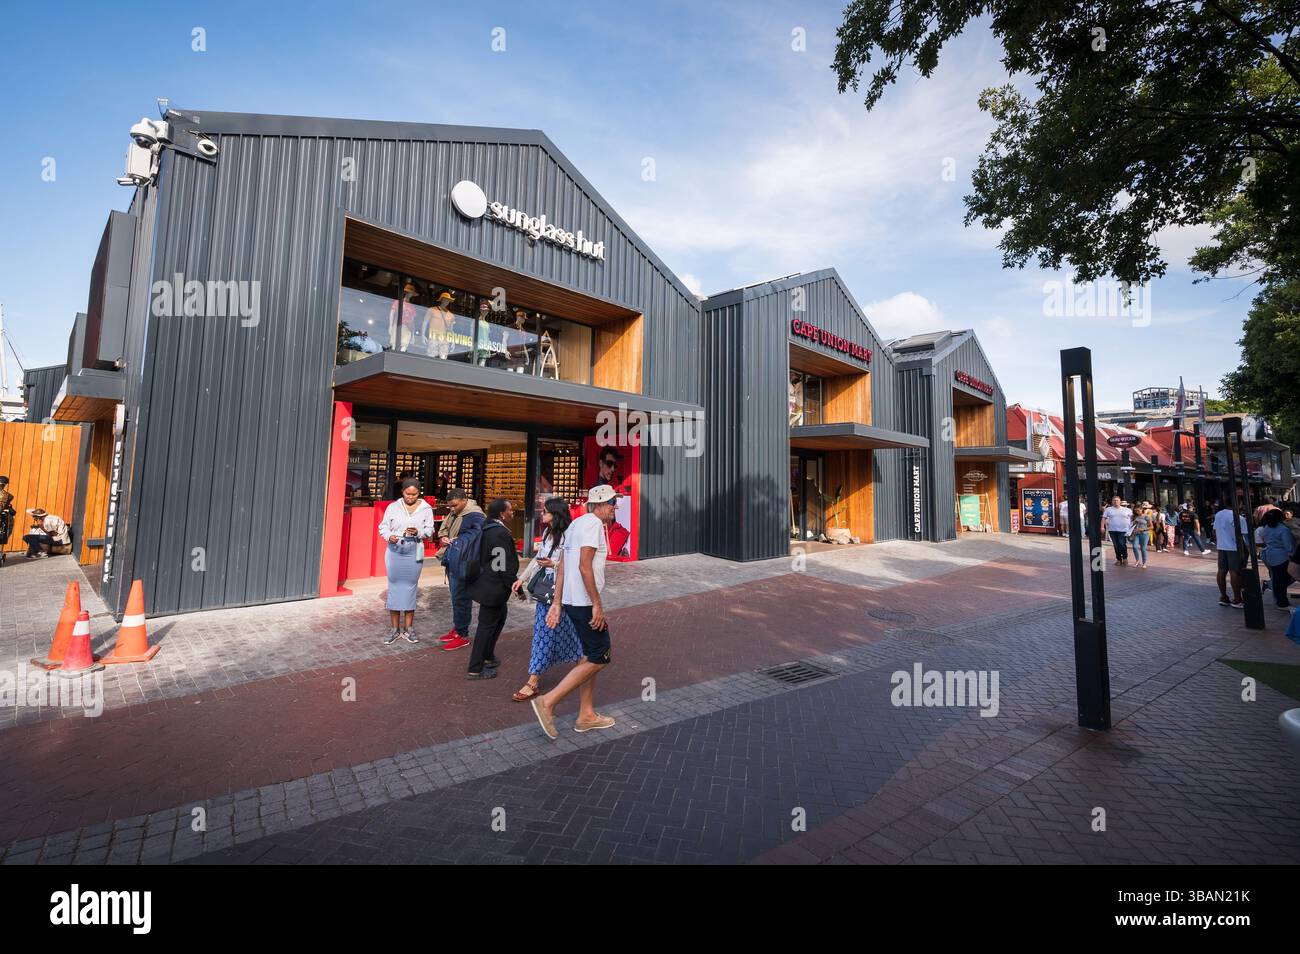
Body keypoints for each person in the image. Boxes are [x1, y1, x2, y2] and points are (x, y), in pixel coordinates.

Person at [530, 484, 620, 739]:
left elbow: (562, 567)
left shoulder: (576, 525)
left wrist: (558, 602)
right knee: (600, 656)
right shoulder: (592, 525)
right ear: (601, 503)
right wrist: (597, 604)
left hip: (571, 601)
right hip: (583, 603)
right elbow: (583, 567)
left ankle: (586, 714)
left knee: (586, 655)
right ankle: (548, 702)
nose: (615, 507)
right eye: (613, 502)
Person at [510, 497, 583, 702]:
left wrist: (554, 565)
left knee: (558, 631)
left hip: (563, 592)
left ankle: (534, 681)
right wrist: (522, 579)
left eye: (545, 511)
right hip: (546, 593)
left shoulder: (570, 535)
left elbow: (574, 564)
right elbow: (538, 559)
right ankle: (580, 666)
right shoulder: (547, 532)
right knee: (550, 631)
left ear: (556, 514)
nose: (542, 514)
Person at [465, 498, 520, 679]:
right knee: (486, 627)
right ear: (502, 514)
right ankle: (475, 668)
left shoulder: (489, 528)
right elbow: (501, 563)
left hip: (490, 585)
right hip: (493, 588)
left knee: (499, 618)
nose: (512, 512)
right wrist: (515, 586)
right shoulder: (499, 533)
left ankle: (487, 656)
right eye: (510, 510)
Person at [378, 478, 435, 644]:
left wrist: (418, 532)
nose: (410, 497)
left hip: (415, 549)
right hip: (395, 550)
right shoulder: (393, 507)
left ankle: (409, 628)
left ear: (419, 493)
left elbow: (430, 530)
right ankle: (394, 629)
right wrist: (390, 536)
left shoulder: (426, 508)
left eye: (414, 494)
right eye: (407, 494)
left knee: (411, 587)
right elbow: (383, 527)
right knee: (394, 587)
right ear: (402, 492)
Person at [436, 488, 483, 651]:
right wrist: (444, 538)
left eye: (454, 505)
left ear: (464, 500)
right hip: (454, 560)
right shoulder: (456, 512)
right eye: (450, 506)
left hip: (464, 563)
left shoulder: (475, 515)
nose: (452, 509)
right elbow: (445, 529)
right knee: (457, 597)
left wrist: (457, 540)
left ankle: (462, 634)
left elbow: (477, 537)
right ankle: (457, 628)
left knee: (461, 597)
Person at [1213, 503, 1249, 606]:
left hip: (1222, 546)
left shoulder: (1219, 514)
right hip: (1235, 547)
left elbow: (1214, 531)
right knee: (1235, 572)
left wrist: (1219, 541)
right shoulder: (1239, 518)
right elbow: (1245, 535)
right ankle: (1237, 599)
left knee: (1221, 571)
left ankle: (1223, 597)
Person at [1259, 509, 1294, 610]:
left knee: (1277, 578)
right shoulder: (1283, 529)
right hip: (1283, 557)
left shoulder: (1266, 528)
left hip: (1270, 555)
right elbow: (1288, 546)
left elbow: (1264, 539)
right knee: (1283, 579)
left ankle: (1276, 595)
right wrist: (1292, 556)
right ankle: (1282, 602)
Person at [1101, 496, 1132, 566]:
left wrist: (1132, 528)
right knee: (1116, 545)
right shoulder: (1108, 509)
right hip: (1112, 530)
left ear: (1120, 501)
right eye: (1114, 500)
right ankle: (1118, 559)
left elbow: (1133, 518)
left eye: (1117, 500)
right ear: (1112, 502)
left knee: (1122, 544)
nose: (1116, 502)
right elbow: (1103, 518)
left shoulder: (1127, 510)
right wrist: (1102, 527)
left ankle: (1125, 558)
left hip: (1123, 530)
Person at [1129, 503, 1151, 568]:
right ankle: (1137, 560)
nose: (1137, 512)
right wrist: (1133, 524)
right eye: (1136, 511)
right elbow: (1131, 525)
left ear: (1142, 509)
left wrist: (1143, 529)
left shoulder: (1146, 516)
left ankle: (1144, 563)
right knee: (1134, 547)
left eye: (1138, 510)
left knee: (1143, 548)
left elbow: (1151, 526)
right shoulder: (1134, 516)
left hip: (1145, 534)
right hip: (1136, 534)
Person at [0, 476, 14, 566]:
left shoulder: (6, 495)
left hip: (2, 518)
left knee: (1, 537)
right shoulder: (6, 495)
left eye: (2, 485)